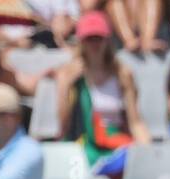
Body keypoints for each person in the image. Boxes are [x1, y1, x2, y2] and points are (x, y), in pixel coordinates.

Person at [55, 10, 150, 170]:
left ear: (107, 40)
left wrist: (147, 149)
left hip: (117, 143)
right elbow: (62, 126)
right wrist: (65, 86)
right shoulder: (70, 74)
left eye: (98, 38)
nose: (94, 44)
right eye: (89, 39)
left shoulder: (123, 74)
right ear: (81, 42)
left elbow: (135, 122)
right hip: (85, 145)